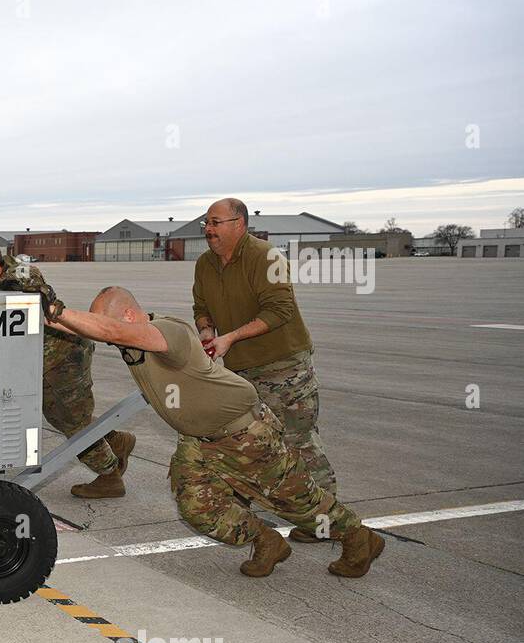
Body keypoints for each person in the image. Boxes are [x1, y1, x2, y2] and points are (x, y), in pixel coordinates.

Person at [45, 286, 383, 578]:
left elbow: (111, 332)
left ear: (129, 315)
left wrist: (58, 308)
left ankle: (358, 539)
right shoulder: (130, 340)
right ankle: (266, 542)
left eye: (108, 324)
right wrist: (40, 312)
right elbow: (91, 331)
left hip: (244, 432)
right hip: (198, 440)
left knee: (299, 503)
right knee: (196, 507)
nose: (103, 335)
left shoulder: (168, 331)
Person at [192, 198, 337, 543]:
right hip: (241, 371)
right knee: (251, 442)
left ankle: (327, 519)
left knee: (297, 440)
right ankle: (255, 511)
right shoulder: (205, 264)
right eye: (206, 224)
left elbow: (279, 310)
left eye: (216, 222)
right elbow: (200, 305)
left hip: (284, 365)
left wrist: (231, 337)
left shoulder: (266, 256)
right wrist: (207, 333)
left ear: (239, 223)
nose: (209, 230)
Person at [0, 236, 133, 499]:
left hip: (66, 355)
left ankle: (110, 476)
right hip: (39, 360)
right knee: (58, 416)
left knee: (71, 422)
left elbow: (36, 289)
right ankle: (114, 441)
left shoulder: (22, 273)